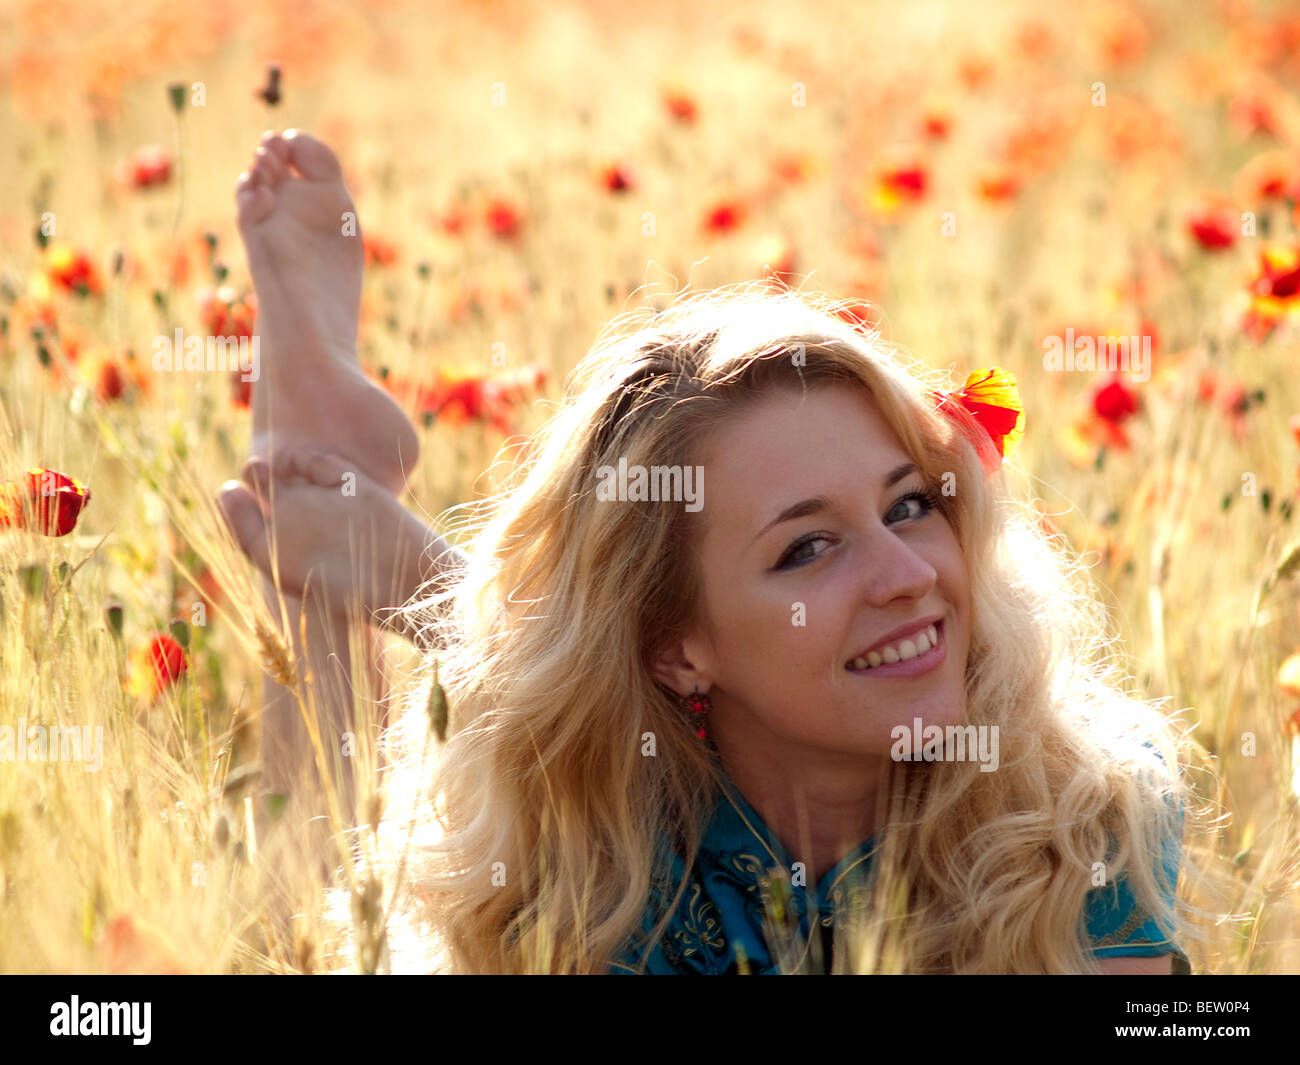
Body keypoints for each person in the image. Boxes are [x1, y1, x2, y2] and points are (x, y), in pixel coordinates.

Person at [218, 130, 1198, 974]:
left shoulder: (1081, 815)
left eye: (907, 507)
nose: (909, 578)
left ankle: (383, 554)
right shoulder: (609, 863)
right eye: (808, 547)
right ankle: (334, 538)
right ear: (678, 646)